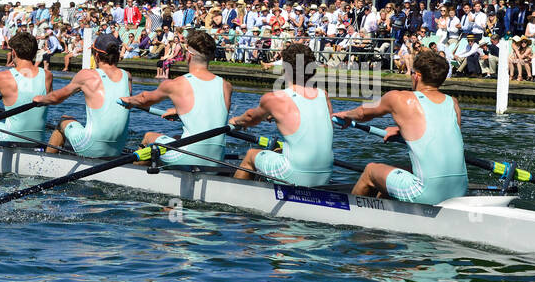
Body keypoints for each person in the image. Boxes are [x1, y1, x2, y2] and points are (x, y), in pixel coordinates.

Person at [334, 48, 467, 205]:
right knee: (403, 170)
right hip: (459, 190)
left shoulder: (400, 98)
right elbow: (441, 132)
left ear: (417, 76)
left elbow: (363, 113)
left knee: (370, 171)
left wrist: (346, 115)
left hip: (426, 193)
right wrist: (400, 129)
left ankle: (350, 214)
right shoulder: (453, 103)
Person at [121, 30, 232, 168]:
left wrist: (130, 100)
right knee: (176, 139)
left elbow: (144, 99)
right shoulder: (226, 86)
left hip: (189, 157)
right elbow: (210, 112)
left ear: (189, 56)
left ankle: (136, 175)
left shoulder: (176, 84)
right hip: (217, 158)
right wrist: (179, 110)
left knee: (150, 137)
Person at [229, 42, 334, 186]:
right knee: (278, 150)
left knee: (251, 155)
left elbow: (250, 118)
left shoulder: (275, 99)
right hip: (326, 173)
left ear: (286, 68)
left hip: (295, 174)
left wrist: (235, 121)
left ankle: (233, 195)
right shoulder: (324, 95)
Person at [36, 32, 132, 156]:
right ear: (117, 55)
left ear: (96, 56)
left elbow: (56, 98)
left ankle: (46, 161)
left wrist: (41, 99)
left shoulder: (86, 75)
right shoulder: (127, 76)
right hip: (117, 148)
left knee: (64, 120)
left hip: (91, 147)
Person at [0, 31, 53, 143]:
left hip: (11, 139)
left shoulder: (3, 77)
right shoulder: (47, 76)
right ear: (34, 53)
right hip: (38, 140)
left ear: (13, 52)